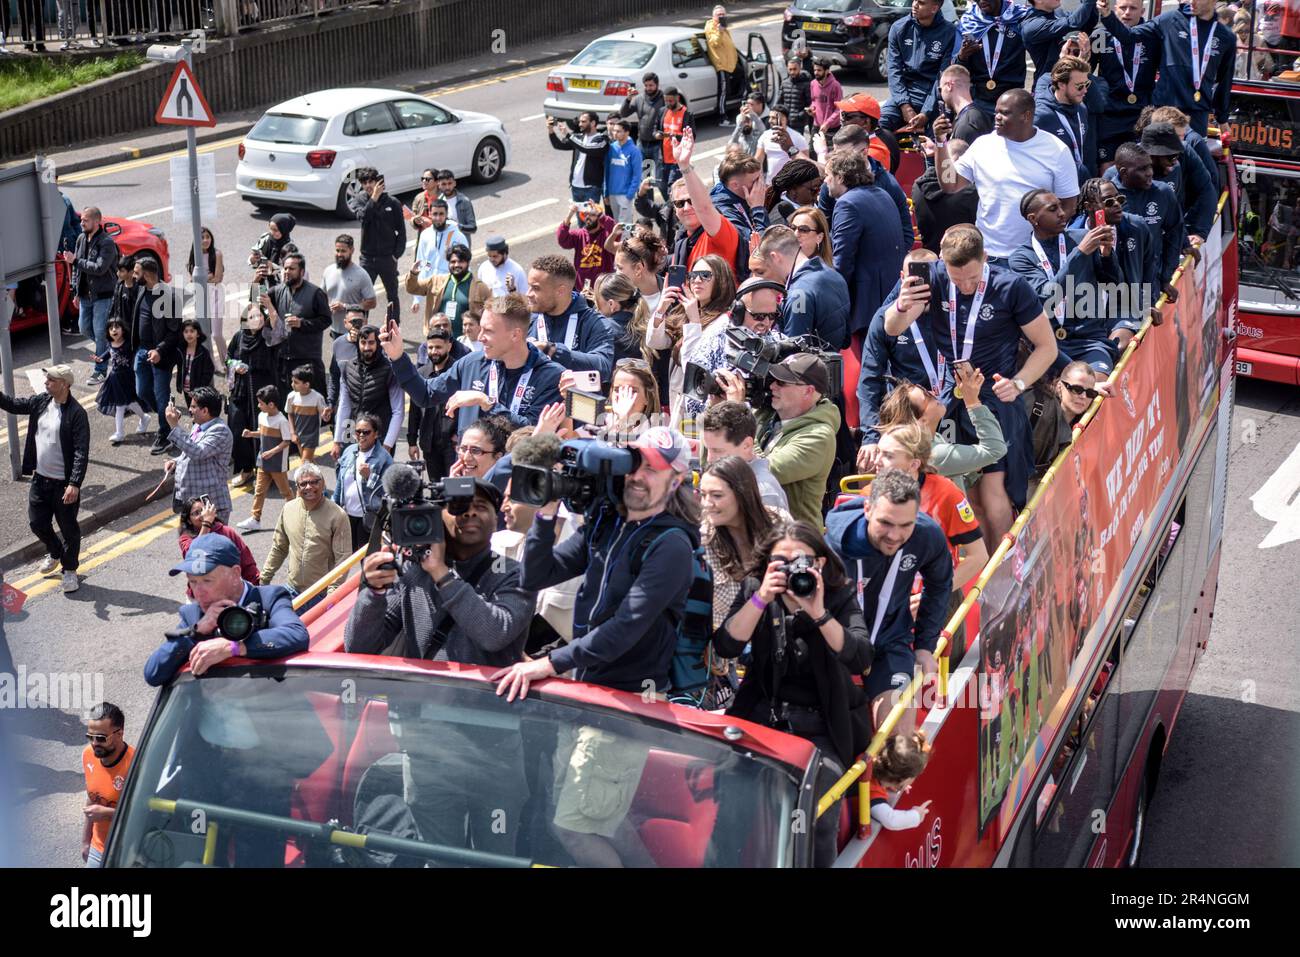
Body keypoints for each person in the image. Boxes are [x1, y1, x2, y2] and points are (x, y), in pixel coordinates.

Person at [491, 427, 699, 868]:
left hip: (625, 702)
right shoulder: (609, 522)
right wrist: (545, 513)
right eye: (633, 464)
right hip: (588, 694)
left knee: (575, 828)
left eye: (651, 468)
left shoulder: (672, 544)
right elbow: (535, 575)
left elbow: (627, 628)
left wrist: (549, 665)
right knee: (598, 820)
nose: (637, 476)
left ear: (676, 479)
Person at [347, 477, 534, 857]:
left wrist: (442, 576)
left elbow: (494, 633)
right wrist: (372, 592)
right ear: (437, 518)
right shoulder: (413, 571)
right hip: (427, 749)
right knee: (438, 856)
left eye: (481, 508)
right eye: (459, 508)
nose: (470, 514)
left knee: (495, 858)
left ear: (496, 520)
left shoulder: (512, 573)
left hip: (494, 749)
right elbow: (360, 644)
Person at [712, 518, 873, 867]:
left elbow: (860, 656)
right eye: (781, 562)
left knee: (817, 809)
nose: (791, 570)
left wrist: (819, 613)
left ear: (820, 563)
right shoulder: (757, 588)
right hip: (763, 718)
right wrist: (760, 598)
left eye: (801, 561)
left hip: (821, 727)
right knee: (730, 797)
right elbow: (726, 646)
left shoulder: (839, 594)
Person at [884, 224, 1057, 544]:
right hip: (953, 393)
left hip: (994, 394)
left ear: (986, 258)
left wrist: (1018, 384)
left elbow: (1047, 347)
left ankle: (1001, 576)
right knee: (968, 495)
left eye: (972, 278)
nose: (964, 286)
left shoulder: (1011, 286)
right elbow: (893, 329)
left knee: (994, 492)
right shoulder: (932, 277)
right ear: (943, 265)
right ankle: (980, 572)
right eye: (956, 278)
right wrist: (901, 304)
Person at [824, 469, 953, 735]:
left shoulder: (927, 536)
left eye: (906, 525)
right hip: (837, 643)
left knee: (898, 730)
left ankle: (895, 773)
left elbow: (940, 584)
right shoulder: (833, 548)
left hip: (890, 640)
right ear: (868, 509)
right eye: (886, 523)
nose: (895, 535)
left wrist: (926, 645)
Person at [143, 533, 309, 686]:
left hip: (270, 701)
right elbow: (153, 673)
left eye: (207, 580)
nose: (198, 593)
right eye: (193, 582)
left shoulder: (269, 599)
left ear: (235, 574)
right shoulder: (194, 615)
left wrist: (233, 647)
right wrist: (196, 633)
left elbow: (297, 634)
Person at [936, 89, 1080, 263]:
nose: (996, 117)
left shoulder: (1056, 150)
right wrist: (940, 143)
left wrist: (1045, 239)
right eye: (996, 112)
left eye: (1004, 113)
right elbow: (950, 184)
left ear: (1026, 116)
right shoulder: (983, 145)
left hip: (1036, 258)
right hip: (988, 256)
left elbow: (1069, 205)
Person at [387, 294, 564, 433]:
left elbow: (532, 431)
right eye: (481, 329)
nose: (480, 338)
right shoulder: (472, 363)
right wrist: (398, 356)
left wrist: (486, 402)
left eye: (488, 331)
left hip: (515, 476)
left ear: (515, 335)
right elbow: (425, 394)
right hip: (469, 474)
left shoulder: (551, 377)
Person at [1010, 188, 1134, 373]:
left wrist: (1108, 256)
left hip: (1089, 340)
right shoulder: (1021, 258)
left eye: (1061, 206)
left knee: (1094, 386)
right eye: (1053, 209)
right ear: (1033, 218)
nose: (1062, 213)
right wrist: (1080, 253)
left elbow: (1115, 285)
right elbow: (1049, 296)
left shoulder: (1082, 237)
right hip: (1049, 344)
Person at [1, 366, 89, 594]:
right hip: (40, 480)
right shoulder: (40, 402)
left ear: (64, 384)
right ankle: (55, 551)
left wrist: (74, 483)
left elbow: (81, 451)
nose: (46, 383)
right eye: (46, 379)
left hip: (63, 485)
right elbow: (12, 404)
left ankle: (70, 570)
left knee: (69, 529)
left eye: (51, 380)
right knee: (36, 523)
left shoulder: (77, 414)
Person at [1100, 0, 1236, 135]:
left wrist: (1222, 119)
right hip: (1165, 110)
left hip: (1197, 112)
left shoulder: (1226, 36)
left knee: (1193, 155)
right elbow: (1128, 36)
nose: (1191, 2)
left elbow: (1224, 81)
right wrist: (1107, 15)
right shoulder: (1169, 20)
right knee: (1161, 156)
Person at [828, 150, 908, 349]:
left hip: (867, 303)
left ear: (839, 177)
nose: (825, 182)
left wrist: (832, 298)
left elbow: (843, 259)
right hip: (890, 295)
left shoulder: (847, 204)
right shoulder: (882, 194)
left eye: (828, 176)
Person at [755, 354, 841, 529]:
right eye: (773, 379)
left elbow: (763, 472)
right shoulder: (766, 417)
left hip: (796, 544)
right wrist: (718, 410)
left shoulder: (819, 436)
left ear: (808, 391)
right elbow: (714, 460)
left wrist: (738, 417)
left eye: (782, 382)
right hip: (759, 534)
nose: (772, 386)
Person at [682, 276, 784, 421]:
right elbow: (692, 403)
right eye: (759, 316)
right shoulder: (714, 338)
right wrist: (726, 406)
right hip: (723, 427)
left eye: (772, 315)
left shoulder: (776, 339)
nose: (766, 322)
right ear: (738, 312)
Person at [259, 462, 352, 609]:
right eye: (303, 484)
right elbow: (279, 547)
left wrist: (332, 595)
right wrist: (264, 579)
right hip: (292, 591)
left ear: (323, 483)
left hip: (321, 595)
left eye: (314, 482)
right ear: (297, 487)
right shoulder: (288, 509)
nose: (309, 487)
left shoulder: (337, 515)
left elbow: (343, 558)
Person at [1076, 176, 1163, 322]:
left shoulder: (1137, 227)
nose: (1117, 205)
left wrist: (1147, 304)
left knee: (1121, 345)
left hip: (1126, 309)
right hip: (1088, 314)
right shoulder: (1073, 236)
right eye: (1109, 201)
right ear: (1088, 206)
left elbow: (1149, 271)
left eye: (1120, 199)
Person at [753, 225, 849, 349]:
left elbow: (793, 354)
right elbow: (846, 339)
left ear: (774, 257)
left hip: (811, 366)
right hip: (834, 362)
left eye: (768, 264)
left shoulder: (798, 294)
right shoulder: (835, 276)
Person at [1104, 142, 1187, 284]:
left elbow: (1175, 233)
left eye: (1150, 166)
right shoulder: (1106, 198)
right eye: (1142, 169)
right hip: (1114, 286)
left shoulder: (1163, 193)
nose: (1150, 172)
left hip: (1150, 283)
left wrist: (1165, 276)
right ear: (1124, 172)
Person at [525, 254, 615, 384]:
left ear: (561, 291)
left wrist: (553, 351)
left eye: (536, 288)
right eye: (529, 286)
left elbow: (604, 367)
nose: (528, 294)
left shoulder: (595, 323)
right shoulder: (527, 319)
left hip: (575, 402)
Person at [265, 253, 331, 408]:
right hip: (283, 361)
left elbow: (325, 320)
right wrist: (256, 281)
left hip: (307, 360)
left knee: (314, 408)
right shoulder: (278, 290)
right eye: (285, 268)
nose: (287, 271)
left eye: (292, 268)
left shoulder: (315, 293)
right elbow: (256, 301)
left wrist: (302, 323)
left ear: (302, 272)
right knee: (286, 407)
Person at [881, 0, 958, 134]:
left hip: (934, 98)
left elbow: (942, 78)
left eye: (921, 2)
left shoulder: (950, 32)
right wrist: (905, 105)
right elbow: (894, 71)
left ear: (934, 8)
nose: (915, 5)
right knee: (880, 127)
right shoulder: (898, 28)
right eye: (915, 0)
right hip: (903, 95)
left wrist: (926, 113)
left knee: (938, 135)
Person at [1097, 0, 1158, 164]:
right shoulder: (1101, 36)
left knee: (1139, 167)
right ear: (1115, 9)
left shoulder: (1152, 36)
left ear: (1143, 11)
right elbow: (1086, 70)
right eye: (1123, 8)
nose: (1127, 13)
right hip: (1110, 115)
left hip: (1141, 114)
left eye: (1133, 8)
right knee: (1106, 167)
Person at [227, 304, 281, 488]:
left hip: (262, 391)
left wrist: (270, 309)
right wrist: (235, 364)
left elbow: (279, 335)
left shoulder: (268, 337)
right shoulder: (238, 336)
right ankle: (246, 470)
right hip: (240, 391)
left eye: (259, 316)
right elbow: (227, 357)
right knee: (238, 430)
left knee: (265, 432)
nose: (255, 320)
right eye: (251, 317)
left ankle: (269, 471)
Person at [699, 400, 790, 510]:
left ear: (746, 445)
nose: (709, 458)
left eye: (718, 451)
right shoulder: (726, 476)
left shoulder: (764, 493)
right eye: (707, 449)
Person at [1138, 120, 1216, 246]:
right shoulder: (1127, 169)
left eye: (1177, 156)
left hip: (1172, 235)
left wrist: (1198, 231)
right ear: (1151, 156)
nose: (1174, 164)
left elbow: (1206, 189)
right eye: (1170, 158)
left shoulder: (1185, 153)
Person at [64, 206, 119, 385]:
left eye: (85, 220)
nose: (81, 222)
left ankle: (100, 370)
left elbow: (100, 268)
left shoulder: (107, 242)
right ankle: (113, 350)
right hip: (86, 296)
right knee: (84, 328)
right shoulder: (81, 238)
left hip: (103, 295)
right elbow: (76, 269)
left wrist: (76, 260)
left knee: (100, 331)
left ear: (96, 221)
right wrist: (76, 291)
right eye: (82, 220)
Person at [164, 387, 235, 524]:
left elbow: (198, 452)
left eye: (193, 407)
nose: (189, 410)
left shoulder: (220, 431)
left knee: (210, 544)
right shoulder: (198, 426)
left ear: (205, 410)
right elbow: (190, 450)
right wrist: (176, 461)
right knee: (190, 544)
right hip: (192, 505)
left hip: (210, 507)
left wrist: (175, 426)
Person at [134, 258, 182, 455]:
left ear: (147, 275)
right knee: (142, 391)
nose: (134, 276)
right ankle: (167, 412)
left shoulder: (169, 297)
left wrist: (159, 351)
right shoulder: (142, 290)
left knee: (160, 396)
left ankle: (165, 433)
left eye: (137, 273)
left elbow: (175, 332)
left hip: (161, 355)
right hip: (142, 351)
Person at [334, 324, 405, 455]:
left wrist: (387, 445)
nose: (367, 347)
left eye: (371, 343)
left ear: (378, 344)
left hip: (380, 439)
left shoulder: (390, 370)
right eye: (363, 342)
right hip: (355, 436)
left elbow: (398, 411)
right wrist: (337, 441)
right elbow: (344, 405)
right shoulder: (347, 368)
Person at [954, 0, 1035, 116]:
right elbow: (955, 69)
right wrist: (962, 56)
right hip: (977, 100)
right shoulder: (968, 23)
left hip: (1012, 99)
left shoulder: (1020, 16)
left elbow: (1042, 56)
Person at [348, 168, 407, 323]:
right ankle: (361, 327)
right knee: (364, 296)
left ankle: (394, 326)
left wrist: (396, 255)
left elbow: (401, 231)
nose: (368, 185)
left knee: (392, 294)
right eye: (364, 183)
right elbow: (363, 218)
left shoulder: (392, 203)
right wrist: (373, 199)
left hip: (388, 258)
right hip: (367, 258)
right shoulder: (359, 200)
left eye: (371, 182)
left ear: (377, 181)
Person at [1024, 360, 1104, 472]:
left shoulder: (1088, 424)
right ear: (1059, 386)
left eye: (1090, 393)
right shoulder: (1037, 403)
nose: (1083, 396)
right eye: (1077, 389)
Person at [81, 703, 135, 868]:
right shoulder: (88, 755)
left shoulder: (136, 765)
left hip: (128, 853)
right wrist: (85, 841)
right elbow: (92, 798)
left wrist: (107, 813)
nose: (95, 743)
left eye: (101, 738)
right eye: (90, 737)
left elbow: (145, 813)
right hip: (98, 849)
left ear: (119, 734)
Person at [235, 385, 295, 534]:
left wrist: (272, 452)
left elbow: (287, 441)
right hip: (263, 461)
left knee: (286, 492)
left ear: (271, 404)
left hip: (277, 464)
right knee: (259, 491)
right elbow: (262, 433)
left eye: (261, 403)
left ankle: (297, 515)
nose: (258, 405)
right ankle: (255, 518)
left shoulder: (282, 421)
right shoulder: (262, 416)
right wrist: (251, 434)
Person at [332, 411, 393, 551]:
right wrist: (333, 507)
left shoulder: (384, 458)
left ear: (376, 434)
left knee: (367, 560)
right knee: (343, 557)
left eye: (366, 432)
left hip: (369, 518)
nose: (361, 435)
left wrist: (369, 477)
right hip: (347, 516)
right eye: (358, 431)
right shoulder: (349, 451)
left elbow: (389, 491)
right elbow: (340, 483)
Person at [407, 328, 463, 480]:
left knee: (454, 490)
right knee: (435, 489)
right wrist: (412, 441)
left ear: (449, 346)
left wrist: (461, 435)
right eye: (430, 347)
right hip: (429, 444)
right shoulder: (421, 373)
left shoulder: (459, 372)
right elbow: (414, 410)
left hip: (453, 446)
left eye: (438, 347)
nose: (434, 351)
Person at [1034, 55, 1098, 182]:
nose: (1085, 90)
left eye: (1087, 84)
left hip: (1078, 181)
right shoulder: (1041, 116)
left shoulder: (1081, 108)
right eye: (1079, 86)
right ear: (1061, 84)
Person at [177, 496, 259, 591]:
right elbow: (194, 556)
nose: (202, 515)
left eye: (203, 510)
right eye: (196, 513)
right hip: (200, 592)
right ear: (188, 520)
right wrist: (206, 523)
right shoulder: (185, 539)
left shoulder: (226, 531)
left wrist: (256, 583)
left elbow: (246, 560)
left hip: (229, 590)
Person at [912, 138, 979, 254]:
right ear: (962, 161)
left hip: (931, 257)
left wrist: (931, 159)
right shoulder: (971, 192)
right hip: (963, 258)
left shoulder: (918, 186)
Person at [93, 318, 147, 446]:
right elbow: (108, 353)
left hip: (127, 378)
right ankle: (122, 431)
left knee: (127, 403)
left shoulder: (128, 344)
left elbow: (138, 351)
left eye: (117, 327)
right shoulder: (110, 344)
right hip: (115, 379)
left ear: (123, 330)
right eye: (111, 328)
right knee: (121, 405)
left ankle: (140, 421)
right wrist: (100, 359)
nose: (113, 330)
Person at [869, 730, 933, 831]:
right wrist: (916, 815)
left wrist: (894, 784)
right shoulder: (871, 792)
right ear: (903, 779)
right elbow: (892, 821)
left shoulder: (871, 753)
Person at [1020, 0, 1099, 78]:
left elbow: (1087, 21)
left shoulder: (1058, 13)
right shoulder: (1032, 26)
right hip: (1049, 85)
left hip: (1072, 81)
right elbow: (1073, 23)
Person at [321, 234, 377, 337]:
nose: (339, 254)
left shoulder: (361, 275)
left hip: (355, 330)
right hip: (334, 328)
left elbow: (372, 303)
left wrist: (346, 307)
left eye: (343, 251)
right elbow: (321, 296)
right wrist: (325, 308)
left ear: (352, 250)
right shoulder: (328, 271)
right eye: (337, 250)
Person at [548, 112, 609, 204]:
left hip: (591, 188)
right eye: (579, 121)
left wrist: (569, 135)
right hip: (576, 186)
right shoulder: (578, 138)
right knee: (580, 218)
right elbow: (558, 145)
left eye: (583, 121)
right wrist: (551, 130)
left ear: (593, 123)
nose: (580, 124)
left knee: (590, 218)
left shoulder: (601, 139)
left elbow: (586, 148)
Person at [188, 226, 228, 366]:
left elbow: (218, 278)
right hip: (201, 296)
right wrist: (207, 276)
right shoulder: (195, 256)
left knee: (216, 334)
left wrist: (202, 278)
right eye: (202, 238)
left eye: (208, 237)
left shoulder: (217, 254)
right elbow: (192, 280)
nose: (206, 240)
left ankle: (227, 363)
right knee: (204, 334)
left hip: (216, 294)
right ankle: (211, 365)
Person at [557, 202, 617, 290]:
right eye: (586, 214)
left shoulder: (606, 234)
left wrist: (601, 215)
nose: (588, 217)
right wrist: (570, 214)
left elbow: (615, 229)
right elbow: (562, 240)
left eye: (592, 214)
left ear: (599, 218)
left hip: (604, 289)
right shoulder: (579, 234)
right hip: (582, 288)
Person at [615, 71, 666, 167]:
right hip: (641, 143)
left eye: (651, 85)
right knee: (641, 175)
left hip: (658, 145)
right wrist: (628, 99)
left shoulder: (663, 100)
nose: (648, 88)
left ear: (657, 85)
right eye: (646, 85)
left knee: (657, 176)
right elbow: (623, 113)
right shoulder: (639, 99)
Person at [934, 64, 993, 146]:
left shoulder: (967, 123)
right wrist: (939, 143)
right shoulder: (975, 115)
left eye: (940, 89)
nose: (940, 94)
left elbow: (956, 158)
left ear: (949, 86)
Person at [652, 87, 694, 199]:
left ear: (677, 98)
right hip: (663, 158)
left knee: (672, 187)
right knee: (660, 184)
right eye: (666, 101)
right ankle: (670, 205)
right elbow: (655, 129)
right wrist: (657, 135)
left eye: (670, 101)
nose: (668, 103)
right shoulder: (662, 111)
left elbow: (692, 136)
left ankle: (673, 209)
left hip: (677, 159)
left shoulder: (687, 114)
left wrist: (674, 135)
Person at [755, 105, 811, 187]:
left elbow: (806, 163)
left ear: (785, 119)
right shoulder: (765, 135)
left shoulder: (798, 138)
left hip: (790, 186)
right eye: (770, 117)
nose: (770, 120)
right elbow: (758, 159)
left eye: (774, 118)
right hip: (770, 184)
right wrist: (759, 180)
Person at [283, 364, 326, 464]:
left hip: (311, 437)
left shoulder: (317, 398)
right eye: (292, 381)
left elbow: (324, 416)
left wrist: (326, 414)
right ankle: (320, 479)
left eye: (296, 382)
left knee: (304, 464)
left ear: (306, 384)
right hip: (298, 436)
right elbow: (290, 414)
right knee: (310, 463)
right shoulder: (291, 397)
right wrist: (293, 433)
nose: (292, 384)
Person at [604, 119, 643, 224]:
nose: (615, 133)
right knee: (617, 225)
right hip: (612, 193)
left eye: (618, 131)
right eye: (614, 131)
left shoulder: (634, 151)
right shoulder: (611, 148)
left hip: (625, 195)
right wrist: (606, 192)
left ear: (627, 132)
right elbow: (606, 171)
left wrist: (629, 195)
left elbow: (637, 175)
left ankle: (627, 241)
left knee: (625, 225)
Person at [764, 160, 824, 229]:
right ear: (793, 190)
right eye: (813, 189)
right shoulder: (780, 223)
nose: (818, 192)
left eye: (820, 187)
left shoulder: (816, 204)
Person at [175, 319, 216, 406]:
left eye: (192, 331)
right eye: (186, 331)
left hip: (199, 392)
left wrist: (198, 390)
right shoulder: (180, 350)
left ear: (198, 334)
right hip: (187, 390)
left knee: (200, 413)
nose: (189, 334)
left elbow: (209, 371)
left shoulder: (203, 352)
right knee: (192, 412)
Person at [436, 169, 477, 249]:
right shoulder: (438, 202)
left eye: (450, 183)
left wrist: (457, 225)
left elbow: (473, 228)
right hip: (445, 246)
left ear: (454, 183)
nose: (447, 187)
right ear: (439, 185)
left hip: (461, 245)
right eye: (444, 184)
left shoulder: (464, 201)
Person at [809, 58, 844, 142]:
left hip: (832, 128)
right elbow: (814, 101)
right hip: (816, 125)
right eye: (815, 70)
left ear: (827, 71)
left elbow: (839, 108)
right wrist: (812, 109)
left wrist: (827, 123)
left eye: (819, 70)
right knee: (812, 153)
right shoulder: (813, 83)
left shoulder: (835, 86)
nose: (816, 73)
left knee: (829, 154)